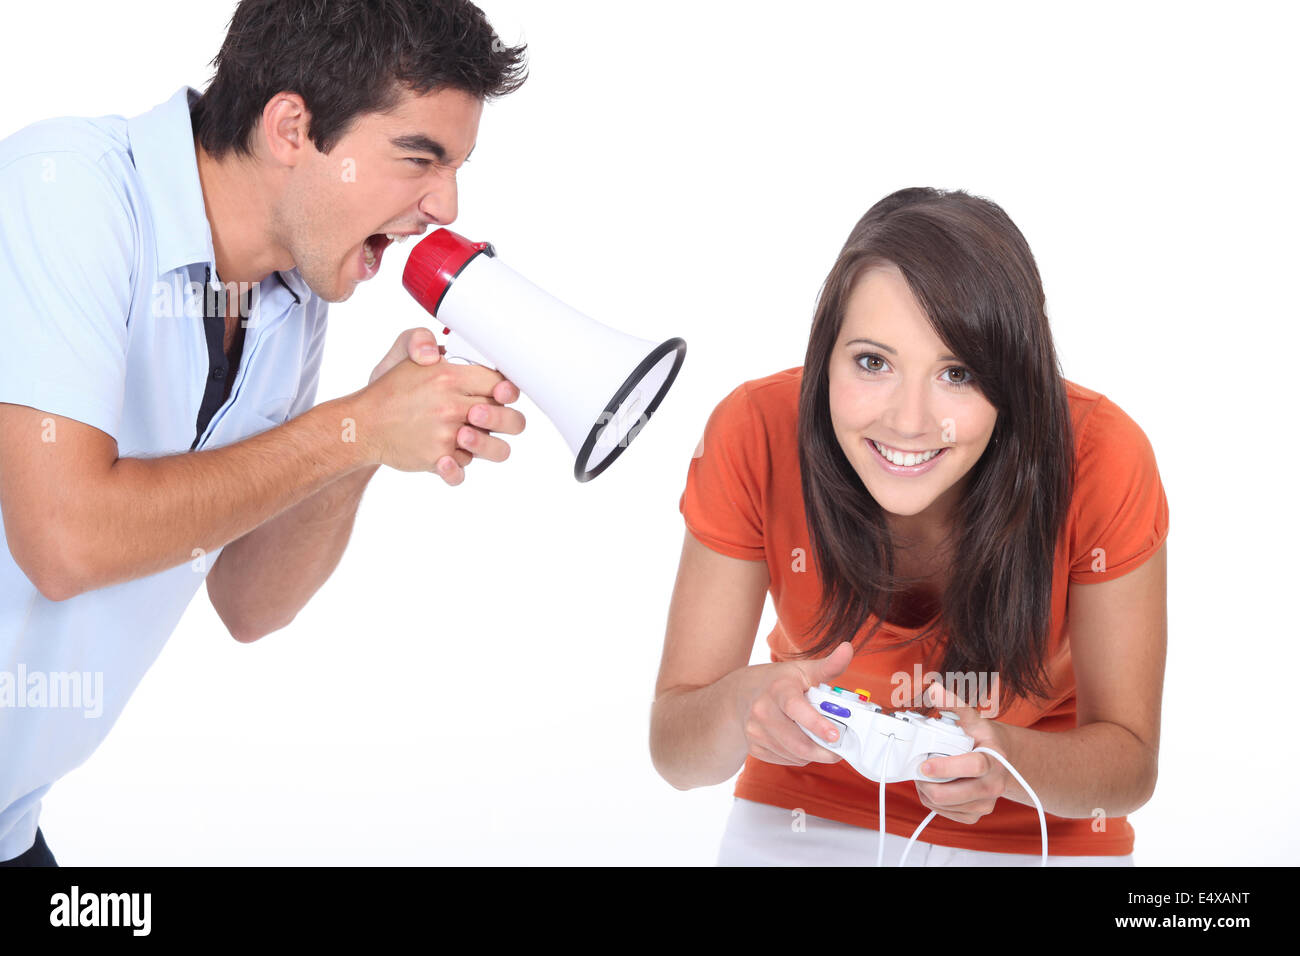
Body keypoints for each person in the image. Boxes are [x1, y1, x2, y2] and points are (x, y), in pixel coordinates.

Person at [0, 0, 528, 865]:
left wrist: (368, 441)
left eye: (457, 166)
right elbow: (64, 541)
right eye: (419, 159)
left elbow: (252, 602)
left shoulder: (290, 289)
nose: (447, 204)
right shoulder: (64, 195)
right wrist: (353, 430)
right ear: (292, 127)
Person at [650, 187, 1169, 866]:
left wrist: (1003, 761)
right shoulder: (755, 431)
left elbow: (1129, 766)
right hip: (804, 810)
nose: (909, 423)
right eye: (873, 362)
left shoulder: (1102, 454)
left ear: (1017, 380)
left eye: (958, 373)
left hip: (1035, 826)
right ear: (825, 353)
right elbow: (675, 751)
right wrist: (745, 706)